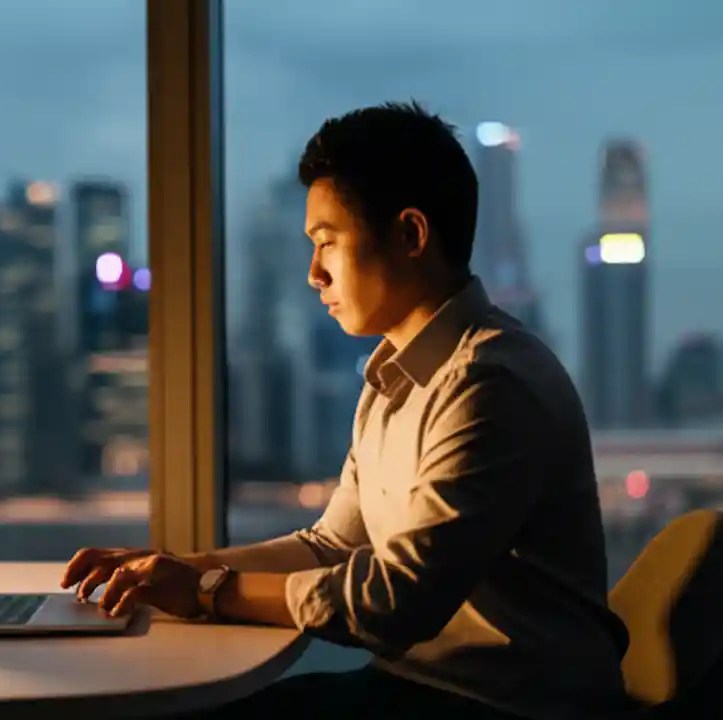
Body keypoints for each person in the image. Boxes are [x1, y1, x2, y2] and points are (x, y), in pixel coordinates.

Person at [61, 101, 630, 719]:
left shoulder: (490, 383)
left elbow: (394, 603)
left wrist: (206, 591)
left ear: (411, 235)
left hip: (506, 705)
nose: (314, 274)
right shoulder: (395, 376)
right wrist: (171, 571)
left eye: (327, 243)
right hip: (427, 689)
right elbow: (332, 544)